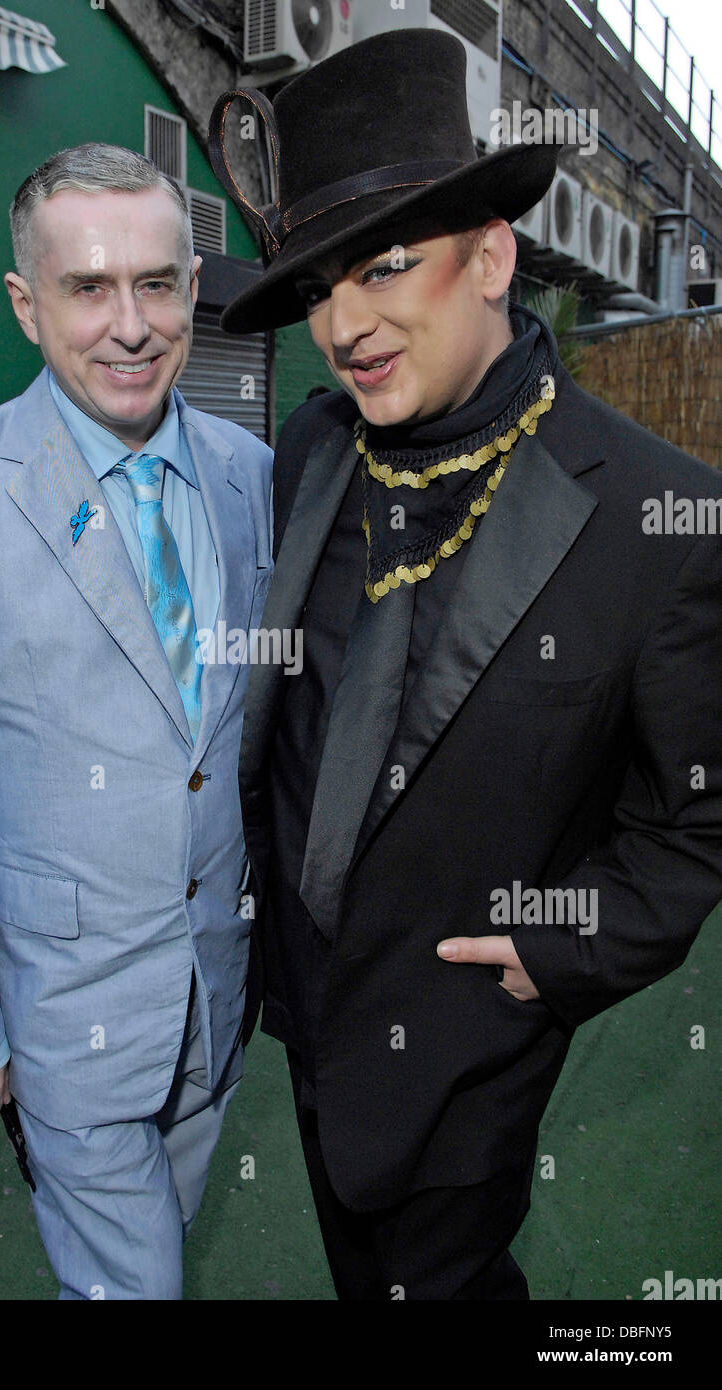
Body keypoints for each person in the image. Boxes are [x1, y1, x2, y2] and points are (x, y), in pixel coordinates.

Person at [209, 30, 722, 1299]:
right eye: (317, 285)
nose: (343, 325)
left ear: (489, 257)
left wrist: (559, 945)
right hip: (303, 1017)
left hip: (465, 1049)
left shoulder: (655, 519)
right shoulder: (308, 452)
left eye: (384, 266)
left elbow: (693, 821)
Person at [0, 142, 273, 1300]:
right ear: (24, 303)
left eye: (154, 284)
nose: (128, 326)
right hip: (60, 1011)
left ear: (192, 289)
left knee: (160, 1242)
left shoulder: (247, 471)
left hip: (216, 993)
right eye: (88, 288)